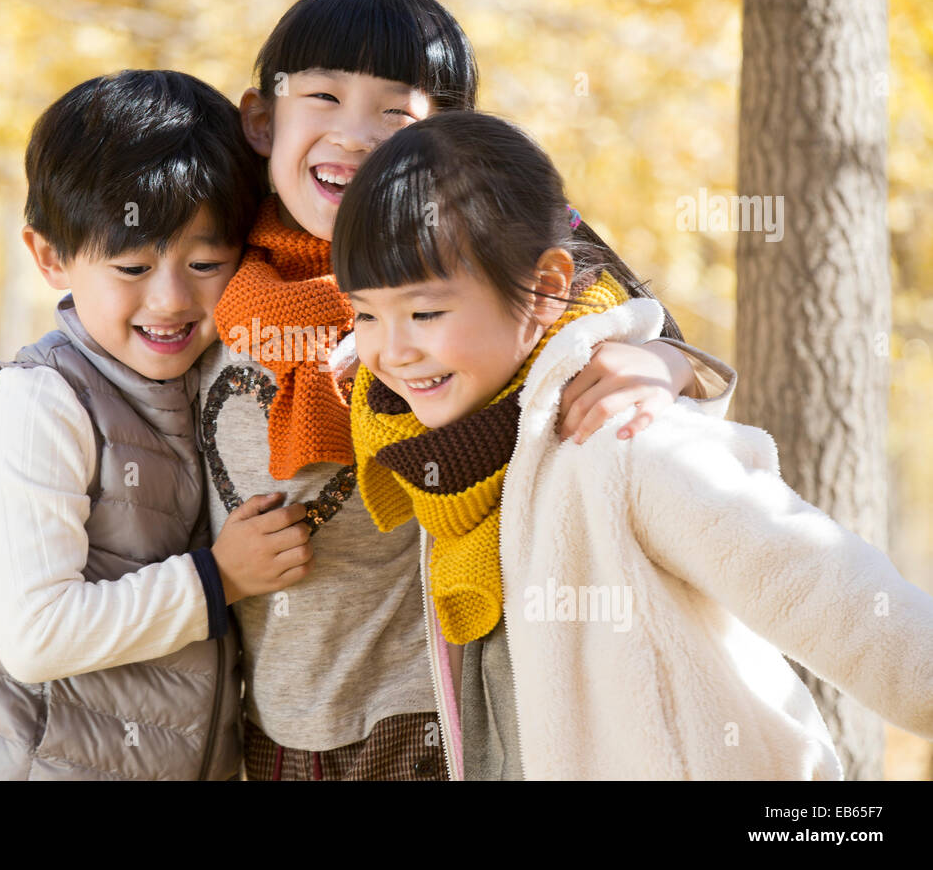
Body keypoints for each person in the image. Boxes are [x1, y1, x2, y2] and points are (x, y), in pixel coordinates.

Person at [0, 0, 736, 780]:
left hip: (428, 707)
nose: (355, 136)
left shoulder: (455, 276)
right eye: (323, 97)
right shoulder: (226, 247)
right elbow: (110, 332)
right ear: (262, 121)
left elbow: (588, 281)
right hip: (266, 727)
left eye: (397, 113)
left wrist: (664, 357)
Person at [337, 110, 933, 779]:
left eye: (424, 313)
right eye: (364, 313)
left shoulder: (624, 439)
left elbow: (832, 593)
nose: (390, 349)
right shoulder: (444, 463)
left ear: (547, 290)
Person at [0, 69, 314, 780]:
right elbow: (33, 635)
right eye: (131, 265)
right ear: (51, 257)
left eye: (206, 261)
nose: (172, 298)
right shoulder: (45, 403)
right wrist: (219, 581)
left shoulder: (200, 376)